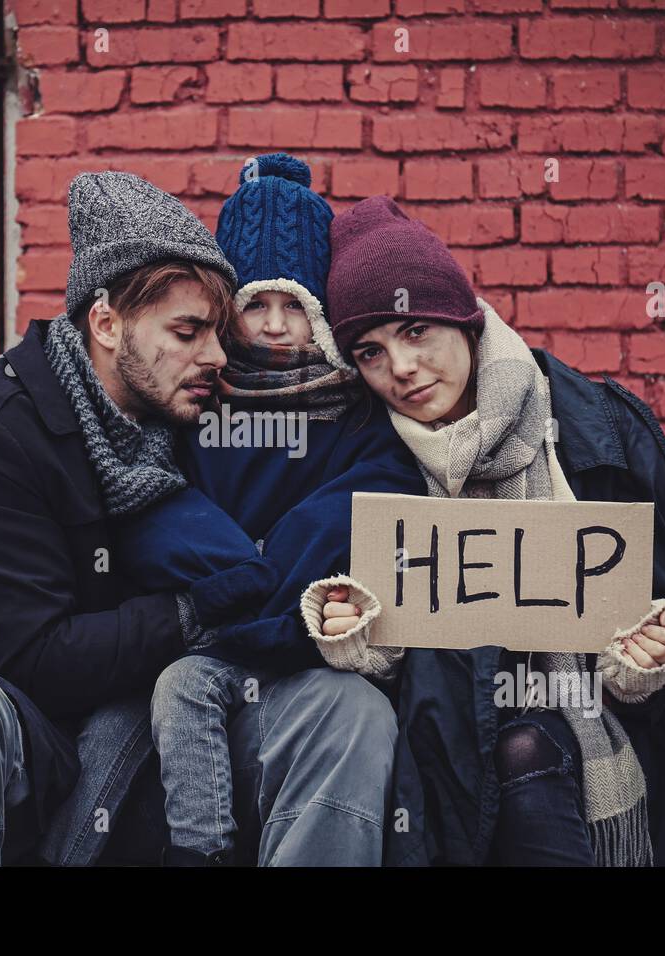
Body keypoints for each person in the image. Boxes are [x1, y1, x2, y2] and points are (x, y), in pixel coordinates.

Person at [0, 172, 398, 866]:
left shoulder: (184, 415)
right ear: (106, 324)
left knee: (345, 710)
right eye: (188, 331)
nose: (216, 355)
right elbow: (34, 659)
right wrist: (196, 611)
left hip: (179, 747)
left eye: (217, 330)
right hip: (26, 757)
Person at [298, 196, 665, 866]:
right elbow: (384, 683)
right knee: (518, 744)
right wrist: (359, 637)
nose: (400, 368)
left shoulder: (597, 429)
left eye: (415, 332)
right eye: (370, 351)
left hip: (608, 731)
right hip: (456, 752)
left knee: (528, 746)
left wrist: (650, 655)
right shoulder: (369, 464)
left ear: (462, 319)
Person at [109, 154, 425, 864]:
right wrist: (234, 572)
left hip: (311, 636)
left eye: (297, 307)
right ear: (229, 311)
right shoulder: (198, 403)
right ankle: (202, 847)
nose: (278, 326)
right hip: (217, 635)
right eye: (257, 305)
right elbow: (158, 501)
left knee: (347, 711)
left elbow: (368, 500)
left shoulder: (352, 411)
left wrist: (276, 567)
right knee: (177, 688)